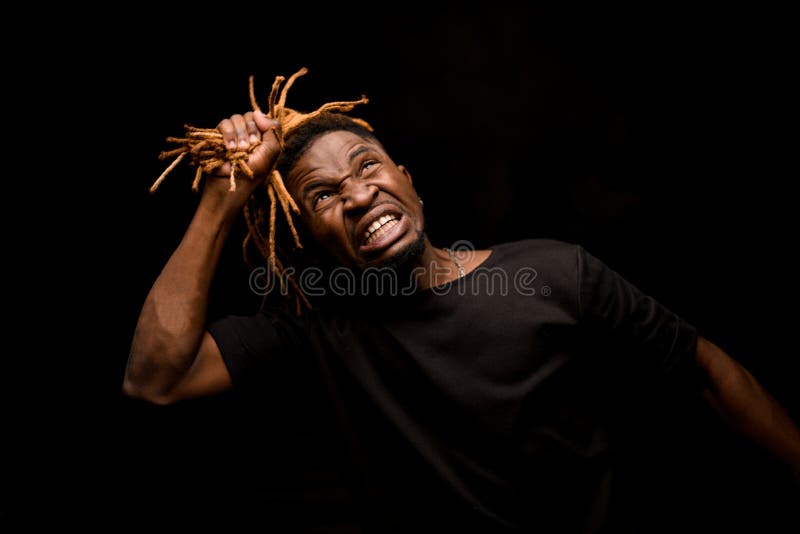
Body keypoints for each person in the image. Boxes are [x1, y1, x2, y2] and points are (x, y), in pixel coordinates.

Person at [123, 107, 800, 533]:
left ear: (407, 179)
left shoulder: (555, 272)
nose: (358, 195)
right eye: (323, 196)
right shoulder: (313, 327)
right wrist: (224, 198)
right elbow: (154, 379)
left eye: (368, 166)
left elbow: (706, 370)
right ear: (311, 238)